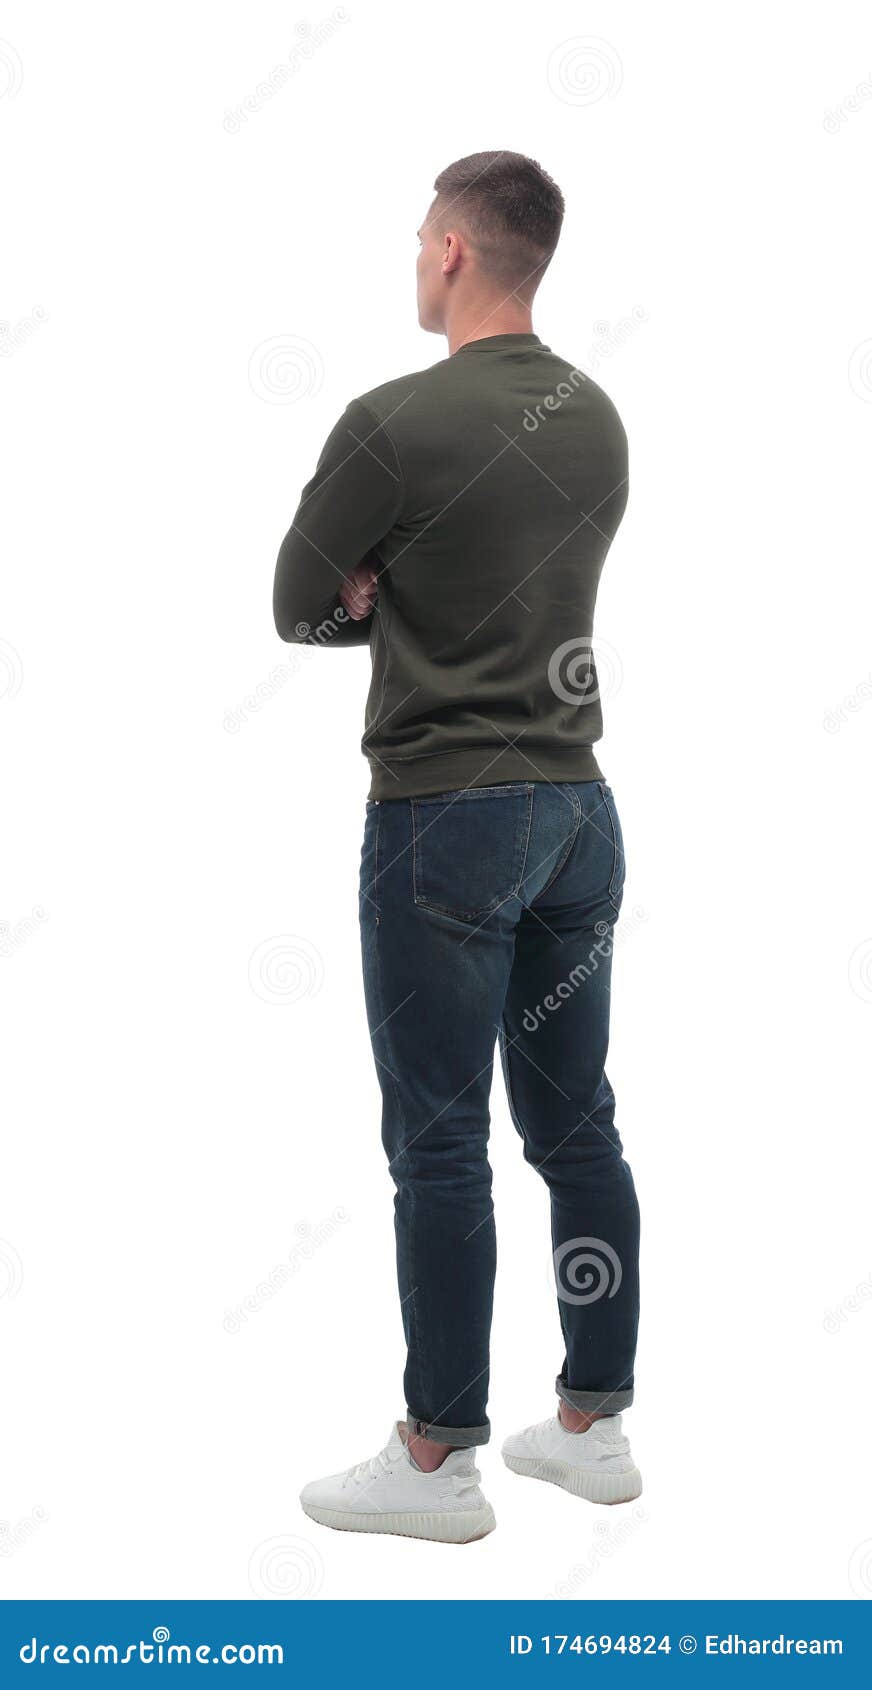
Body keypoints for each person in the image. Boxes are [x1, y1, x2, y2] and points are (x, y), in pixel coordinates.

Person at [273, 151, 641, 1544]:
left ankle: (436, 1460)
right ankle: (594, 1422)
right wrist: (431, 593)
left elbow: (300, 607)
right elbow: (529, 586)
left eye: (420, 236)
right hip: (575, 808)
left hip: (445, 818)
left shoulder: (392, 423)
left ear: (451, 255)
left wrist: (389, 599)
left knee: (439, 1143)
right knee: (577, 1120)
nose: (414, 255)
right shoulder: (595, 418)